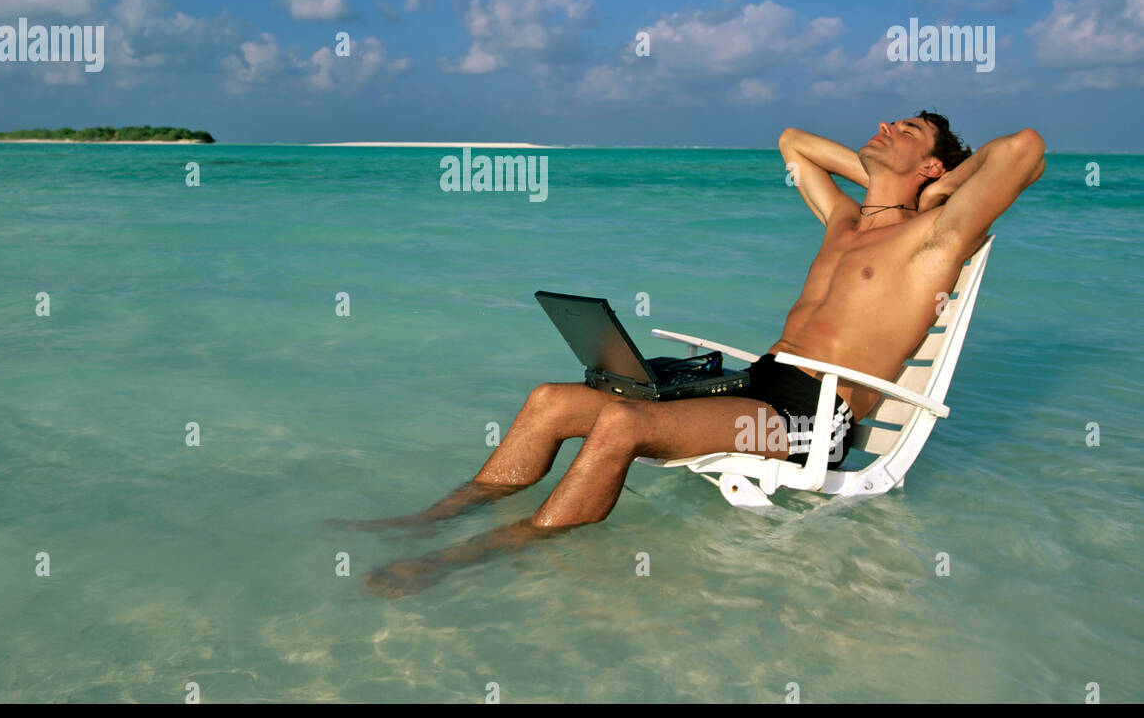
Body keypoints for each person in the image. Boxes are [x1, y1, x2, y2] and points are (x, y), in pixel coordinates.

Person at [355, 113, 1046, 595]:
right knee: (552, 399)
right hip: (757, 383)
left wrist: (939, 186)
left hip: (815, 416)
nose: (885, 127)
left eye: (908, 130)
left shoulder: (934, 237)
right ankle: (435, 517)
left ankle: (485, 554)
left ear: (933, 163)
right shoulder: (844, 222)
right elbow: (792, 143)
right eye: (888, 120)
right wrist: (885, 174)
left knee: (622, 424)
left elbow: (1025, 150)